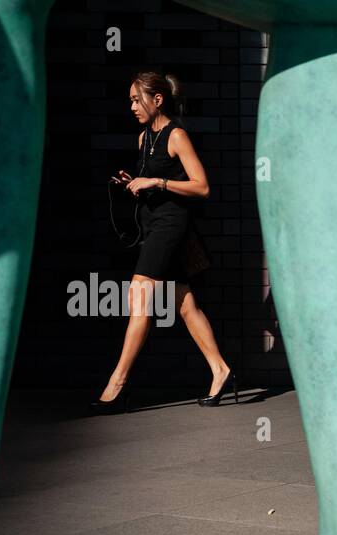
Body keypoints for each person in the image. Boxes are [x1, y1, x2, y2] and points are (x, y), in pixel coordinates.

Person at [92, 70, 235, 413]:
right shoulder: (144, 139)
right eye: (129, 100)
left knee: (138, 296)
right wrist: (134, 181)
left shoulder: (176, 135)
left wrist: (156, 182)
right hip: (153, 224)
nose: (131, 107)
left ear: (157, 99)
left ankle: (118, 383)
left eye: (135, 99)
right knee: (184, 303)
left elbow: (202, 186)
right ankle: (221, 369)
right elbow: (151, 182)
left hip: (171, 227)